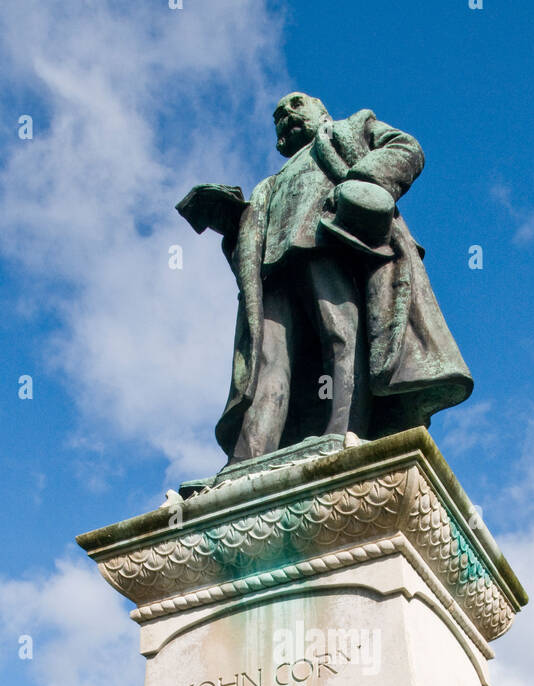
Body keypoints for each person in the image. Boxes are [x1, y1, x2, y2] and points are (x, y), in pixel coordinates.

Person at [179, 93, 473, 465]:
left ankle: (344, 430)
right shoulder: (269, 183)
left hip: (328, 240)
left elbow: (407, 148)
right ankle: (247, 459)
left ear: (322, 112)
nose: (285, 115)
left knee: (340, 333)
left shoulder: (352, 128)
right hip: (272, 267)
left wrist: (363, 182)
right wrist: (232, 217)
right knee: (267, 360)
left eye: (296, 105)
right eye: (278, 115)